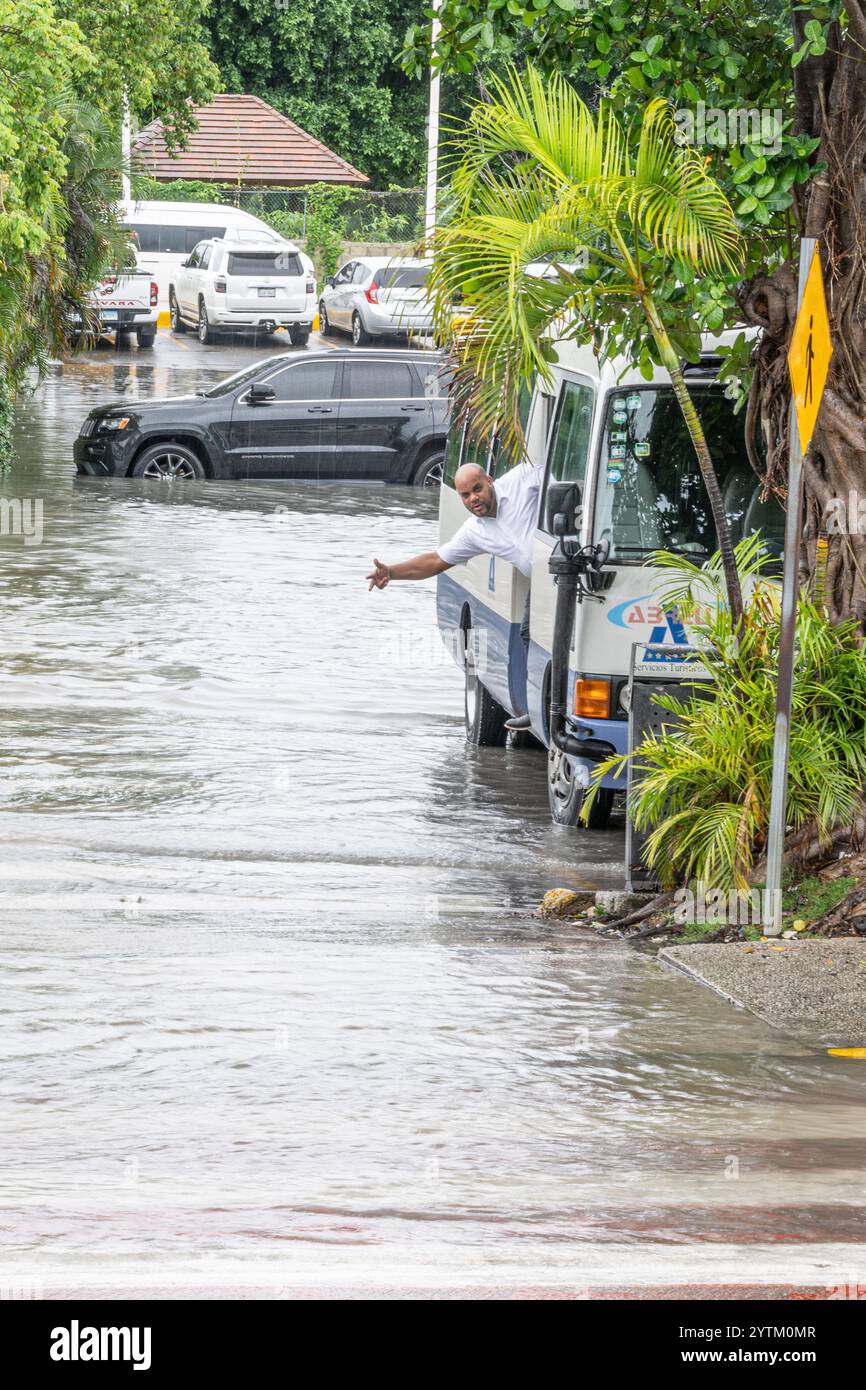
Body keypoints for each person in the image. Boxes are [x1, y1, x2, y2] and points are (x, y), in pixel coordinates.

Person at [366, 457, 544, 729]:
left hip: (572, 564)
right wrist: (391, 572)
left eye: (477, 489)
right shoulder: (475, 532)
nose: (474, 498)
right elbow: (436, 561)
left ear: (489, 481)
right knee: (528, 633)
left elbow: (568, 481)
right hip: (543, 582)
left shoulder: (523, 477)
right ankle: (538, 709)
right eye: (465, 495)